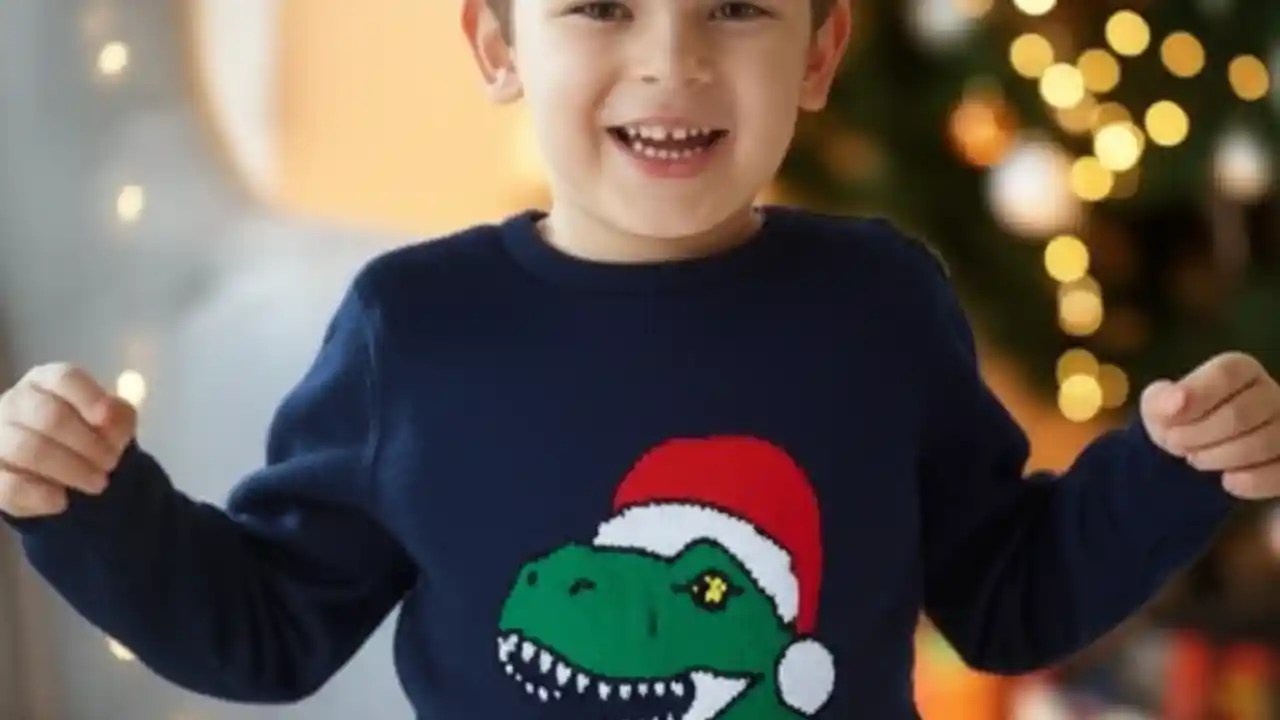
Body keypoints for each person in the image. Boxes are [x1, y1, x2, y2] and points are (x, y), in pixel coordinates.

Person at [2, 1, 1278, 717]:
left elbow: (1006, 601)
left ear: (822, 49)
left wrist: (1167, 471)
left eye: (734, 9)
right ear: (498, 44)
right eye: (603, 8)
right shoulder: (414, 329)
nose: (671, 58)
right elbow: (267, 631)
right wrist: (92, 507)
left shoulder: (880, 304)